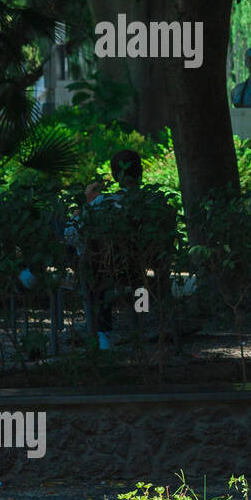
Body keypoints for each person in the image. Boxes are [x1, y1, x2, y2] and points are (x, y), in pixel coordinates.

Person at [64, 150, 144, 350]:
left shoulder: (105, 203)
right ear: (140, 172)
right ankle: (143, 325)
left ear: (116, 176)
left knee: (93, 267)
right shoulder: (155, 201)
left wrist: (84, 202)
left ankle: (103, 337)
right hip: (139, 269)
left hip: (105, 271)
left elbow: (72, 234)